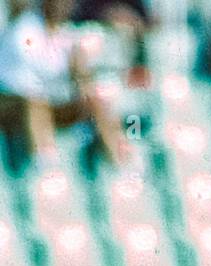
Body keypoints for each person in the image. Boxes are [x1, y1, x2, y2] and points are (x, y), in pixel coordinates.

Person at [0, 0, 125, 165]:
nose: (65, 6)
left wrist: (81, 75)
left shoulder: (66, 33)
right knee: (36, 103)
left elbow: (78, 80)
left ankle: (121, 163)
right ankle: (47, 167)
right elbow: (23, 86)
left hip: (50, 101)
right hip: (12, 102)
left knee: (97, 100)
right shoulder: (25, 31)